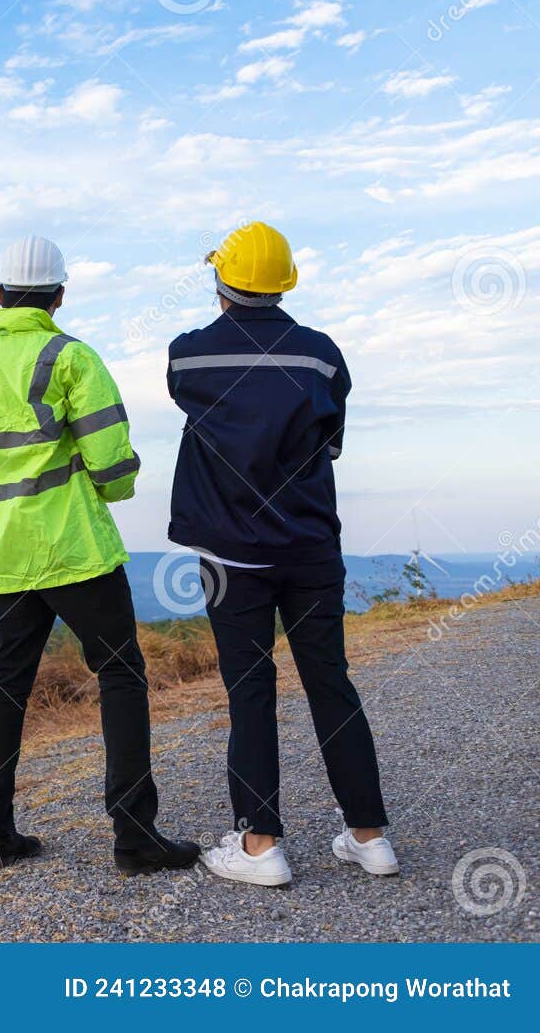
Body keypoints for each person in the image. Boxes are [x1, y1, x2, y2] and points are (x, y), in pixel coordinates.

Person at [0, 235, 199, 874]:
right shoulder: (71, 357)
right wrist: (110, 482)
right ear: (58, 296)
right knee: (121, 677)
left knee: (7, 686)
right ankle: (134, 839)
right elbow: (111, 459)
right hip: (75, 549)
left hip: (3, 552)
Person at [168, 221, 394, 888]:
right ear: (285, 282)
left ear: (221, 283)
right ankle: (370, 835)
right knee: (331, 682)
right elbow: (330, 442)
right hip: (311, 546)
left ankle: (261, 844)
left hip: (229, 555)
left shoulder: (187, 357)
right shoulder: (322, 356)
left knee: (250, 688)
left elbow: (204, 408)